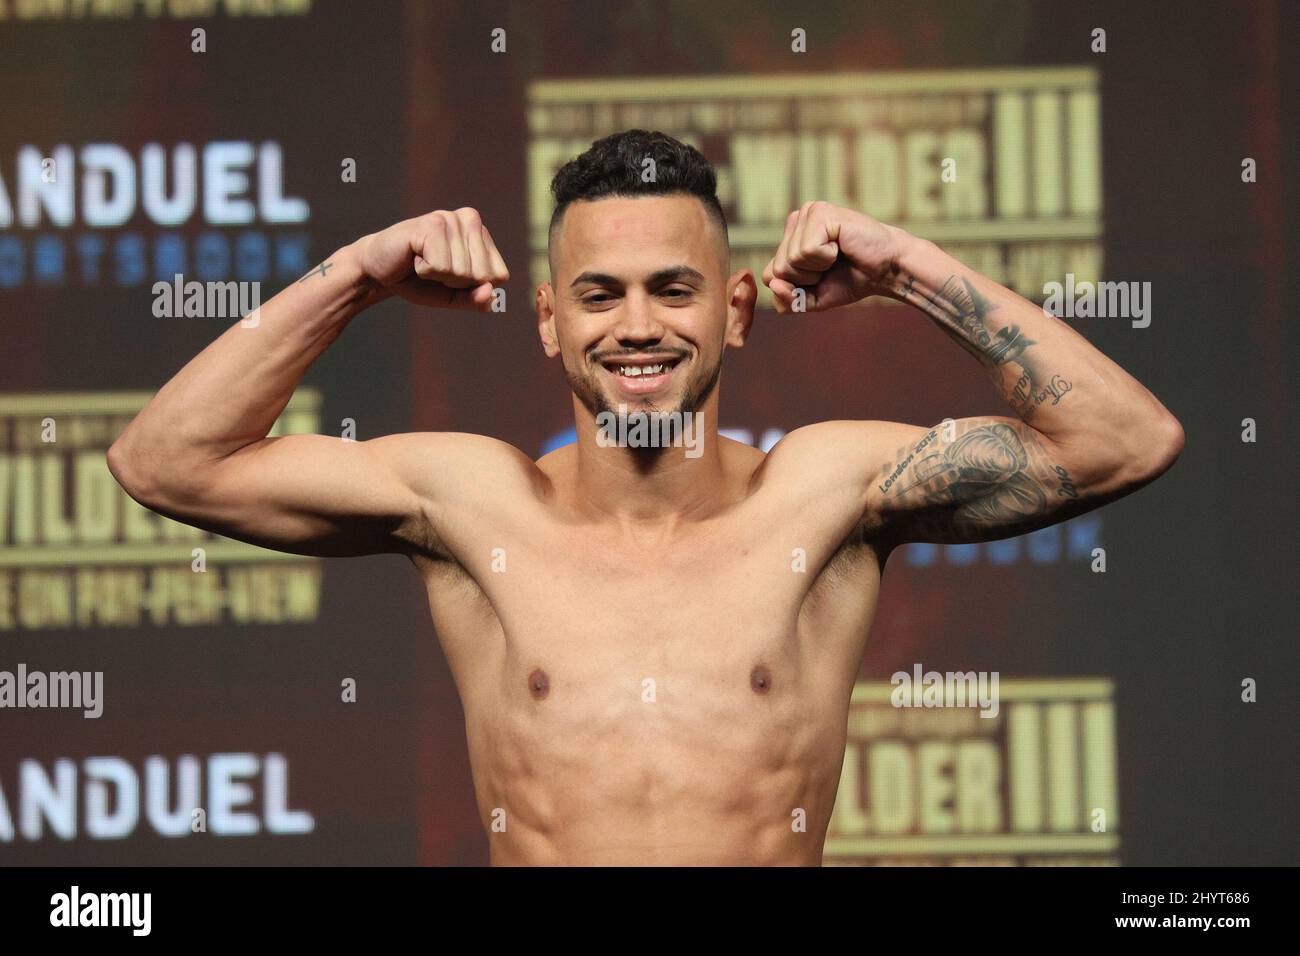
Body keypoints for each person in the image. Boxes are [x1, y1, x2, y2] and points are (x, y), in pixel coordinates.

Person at [107, 130, 1183, 865]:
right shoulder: (471, 503)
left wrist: (906, 267)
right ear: (547, 319)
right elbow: (166, 460)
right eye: (598, 293)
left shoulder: (823, 493)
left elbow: (1126, 441)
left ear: (737, 310)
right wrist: (354, 274)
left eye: (673, 288)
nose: (635, 325)